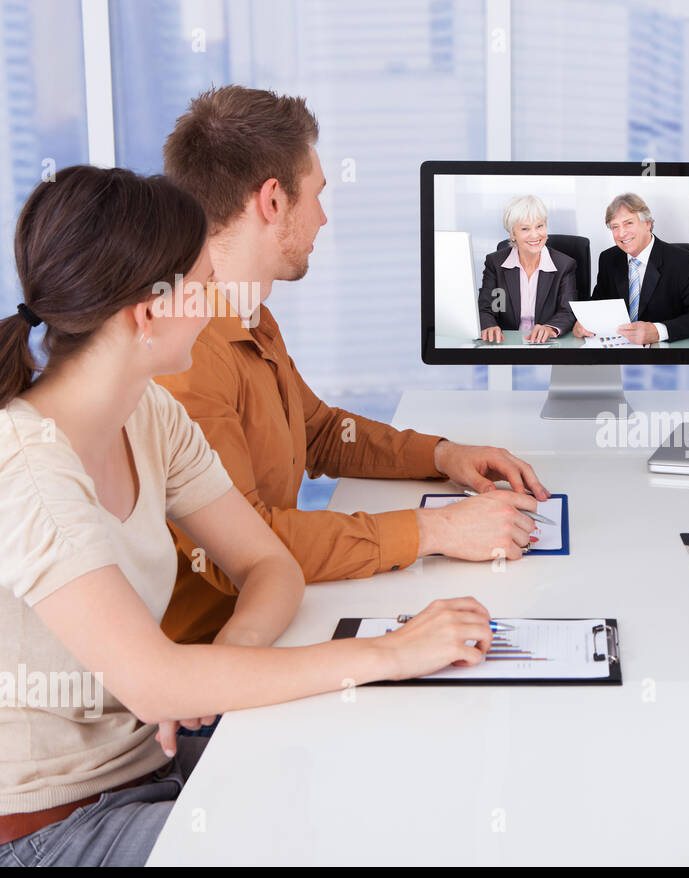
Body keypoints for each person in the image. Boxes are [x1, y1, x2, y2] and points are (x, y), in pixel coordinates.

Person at [0, 166, 492, 866]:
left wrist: (229, 657)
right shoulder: (25, 466)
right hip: (52, 835)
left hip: (151, 769)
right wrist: (390, 652)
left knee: (389, 785)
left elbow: (269, 565)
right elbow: (156, 683)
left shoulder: (148, 413)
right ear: (148, 313)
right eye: (202, 283)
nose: (216, 300)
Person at [157, 86, 547, 646]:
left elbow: (319, 433)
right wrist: (435, 529)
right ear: (272, 201)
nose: (321, 218)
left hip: (283, 619)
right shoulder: (189, 357)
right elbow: (242, 548)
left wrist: (442, 455)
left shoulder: (247, 317)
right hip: (217, 678)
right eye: (316, 194)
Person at [580, 192, 689, 344]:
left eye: (628, 223)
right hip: (619, 350)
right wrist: (584, 322)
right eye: (615, 227)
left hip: (667, 357)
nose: (621, 233)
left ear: (647, 224)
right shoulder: (609, 259)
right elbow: (597, 303)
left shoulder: (683, 262)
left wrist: (658, 331)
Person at [477, 194, 578, 343]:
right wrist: (490, 325)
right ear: (512, 234)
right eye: (525, 229)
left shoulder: (564, 265)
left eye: (540, 226)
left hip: (547, 345)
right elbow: (487, 308)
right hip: (506, 343)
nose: (535, 235)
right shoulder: (496, 264)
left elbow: (567, 311)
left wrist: (550, 328)